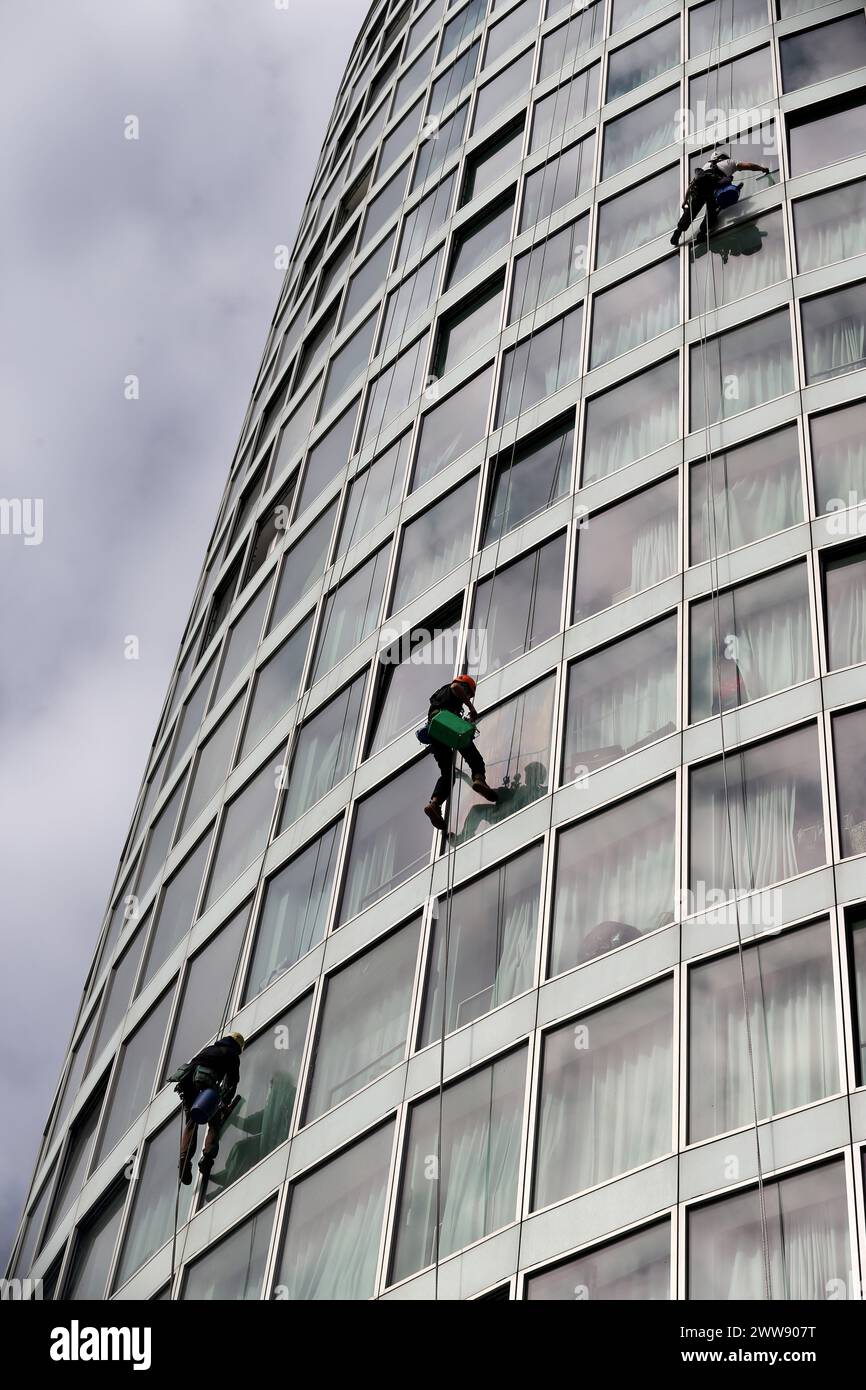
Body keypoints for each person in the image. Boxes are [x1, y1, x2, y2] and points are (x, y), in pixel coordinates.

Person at [423, 673, 498, 831]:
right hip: (446, 722)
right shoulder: (453, 688)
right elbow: (456, 687)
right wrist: (471, 707)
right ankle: (479, 780)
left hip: (436, 730)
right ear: (465, 686)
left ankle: (435, 804)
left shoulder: (442, 698)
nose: (468, 697)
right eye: (469, 693)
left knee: (448, 774)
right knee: (475, 758)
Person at [170, 1031, 245, 1185]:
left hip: (187, 1084)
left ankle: (184, 1159)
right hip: (205, 1083)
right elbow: (231, 1082)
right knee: (215, 1122)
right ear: (238, 1047)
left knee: (192, 1121)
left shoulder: (210, 1049)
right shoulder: (231, 1054)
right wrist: (224, 1103)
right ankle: (208, 1158)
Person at [671, 151, 769, 246]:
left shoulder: (705, 167)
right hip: (713, 189)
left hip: (700, 189)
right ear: (724, 157)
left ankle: (678, 231)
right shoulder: (729, 162)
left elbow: (692, 185)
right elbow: (749, 166)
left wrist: (685, 200)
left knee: (691, 211)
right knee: (711, 212)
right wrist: (762, 168)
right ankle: (702, 233)